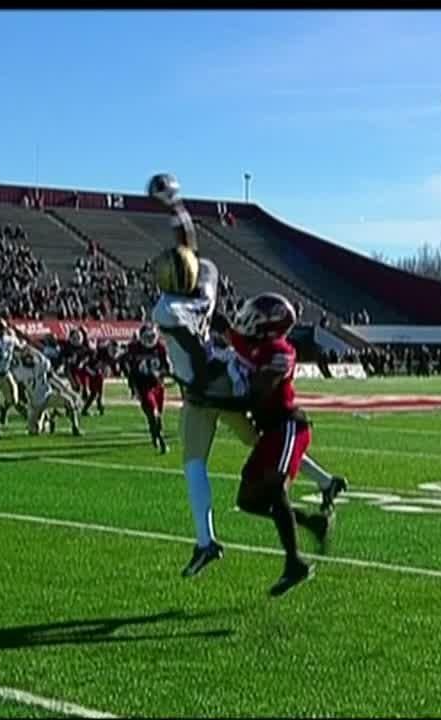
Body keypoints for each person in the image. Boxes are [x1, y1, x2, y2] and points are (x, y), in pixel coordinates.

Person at [144, 172, 347, 579]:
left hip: (209, 387)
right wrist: (177, 209)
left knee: (194, 462)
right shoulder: (204, 287)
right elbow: (191, 250)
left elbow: (197, 362)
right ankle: (324, 482)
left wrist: (204, 391)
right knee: (261, 442)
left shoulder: (168, 311)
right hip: (225, 377)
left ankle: (206, 541)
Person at [227, 293, 330, 596]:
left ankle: (294, 562)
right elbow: (230, 337)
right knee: (248, 500)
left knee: (275, 488)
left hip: (287, 427)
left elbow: (257, 393)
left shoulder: (280, 351)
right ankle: (310, 522)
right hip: (271, 430)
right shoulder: (256, 345)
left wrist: (220, 396)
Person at [15, 344, 82, 436]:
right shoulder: (19, 371)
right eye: (27, 358)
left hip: (48, 395)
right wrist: (22, 402)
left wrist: (68, 391)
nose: (30, 360)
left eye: (31, 357)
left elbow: (52, 377)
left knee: (69, 401)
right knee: (34, 432)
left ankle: (75, 427)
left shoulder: (41, 364)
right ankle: (49, 419)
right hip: (35, 404)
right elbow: (19, 389)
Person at [124, 323, 171, 453]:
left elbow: (167, 367)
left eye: (152, 336)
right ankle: (161, 440)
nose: (150, 339)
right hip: (143, 385)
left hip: (157, 385)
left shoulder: (160, 348)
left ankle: (154, 434)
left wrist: (161, 373)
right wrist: (133, 388)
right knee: (153, 413)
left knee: (158, 415)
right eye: (147, 336)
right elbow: (130, 370)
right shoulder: (134, 348)